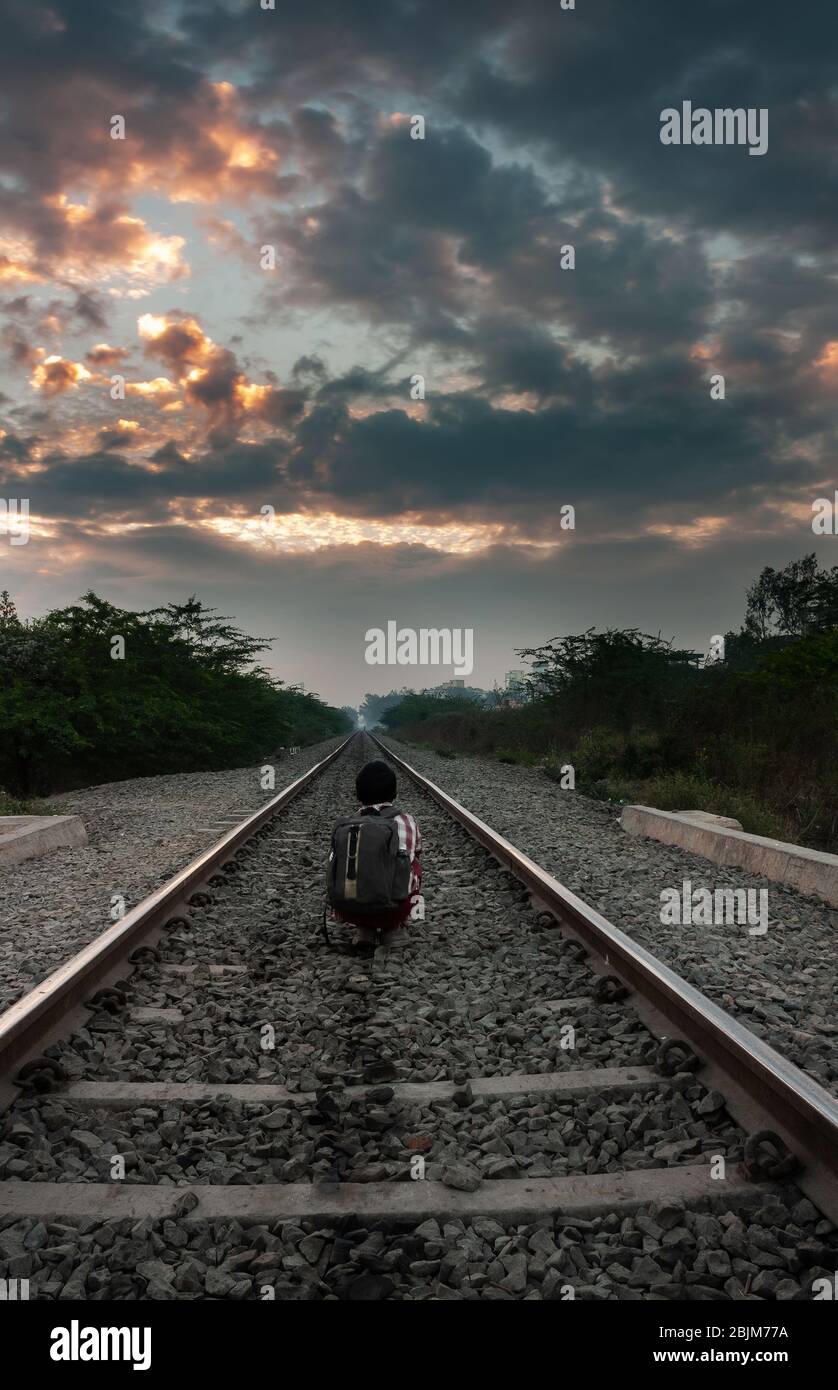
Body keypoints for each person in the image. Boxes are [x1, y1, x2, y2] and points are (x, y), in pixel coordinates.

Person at [328, 758, 422, 951]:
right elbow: (412, 857)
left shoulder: (347, 824)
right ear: (394, 793)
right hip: (394, 909)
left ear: (358, 795)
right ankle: (393, 929)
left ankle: (364, 929)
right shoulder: (407, 821)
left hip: (350, 909)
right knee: (415, 864)